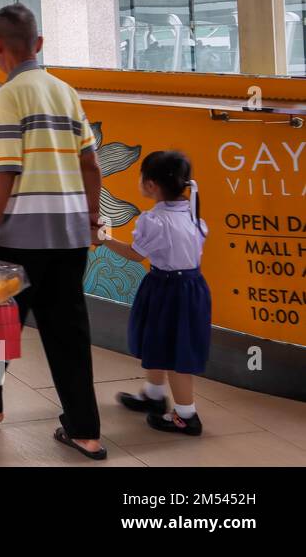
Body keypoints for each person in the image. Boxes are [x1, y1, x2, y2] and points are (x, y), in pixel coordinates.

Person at [0, 3, 107, 460]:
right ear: (40, 44)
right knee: (68, 333)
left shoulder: (11, 94)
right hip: (70, 239)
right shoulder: (66, 92)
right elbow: (91, 163)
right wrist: (92, 220)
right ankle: (85, 431)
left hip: (20, 242)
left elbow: (7, 169)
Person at [102, 150, 211, 436]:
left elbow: (135, 254)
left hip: (169, 289)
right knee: (160, 343)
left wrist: (103, 239)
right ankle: (153, 395)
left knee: (175, 353)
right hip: (190, 286)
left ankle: (187, 416)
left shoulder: (154, 220)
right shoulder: (192, 212)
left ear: (151, 185)